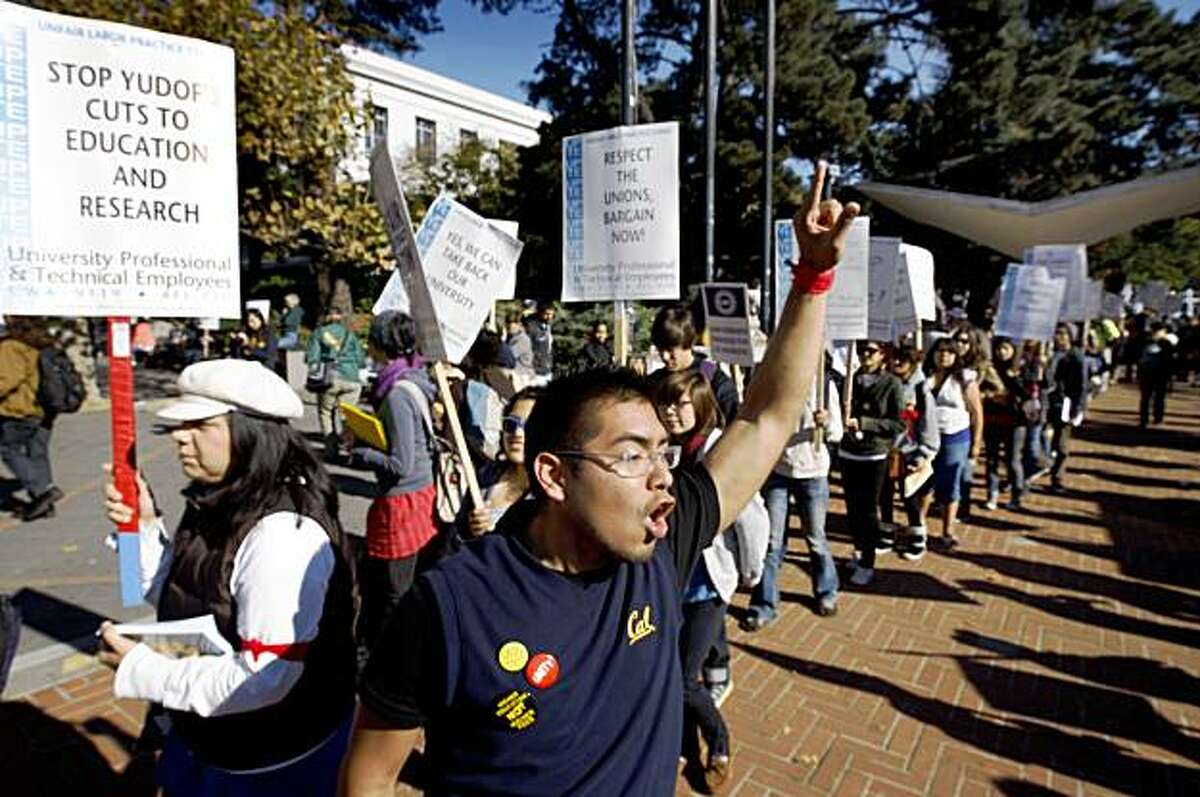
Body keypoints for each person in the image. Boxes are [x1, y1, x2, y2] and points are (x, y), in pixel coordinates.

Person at [340, 161, 857, 796]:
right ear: (553, 475)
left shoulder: (659, 545)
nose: (663, 479)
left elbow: (767, 419)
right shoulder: (450, 604)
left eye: (665, 454)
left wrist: (812, 278)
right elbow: (369, 776)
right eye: (633, 456)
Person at [97, 359, 355, 796]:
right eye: (181, 424)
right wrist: (143, 525)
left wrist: (143, 670)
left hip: (269, 758)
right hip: (215, 735)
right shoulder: (223, 497)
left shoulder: (280, 534)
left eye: (200, 424)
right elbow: (179, 592)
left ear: (250, 430)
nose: (180, 437)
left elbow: (266, 677)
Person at [652, 369, 767, 790]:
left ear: (700, 406)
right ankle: (683, 741)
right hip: (668, 582)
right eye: (665, 402)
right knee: (670, 670)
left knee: (682, 677)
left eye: (680, 403)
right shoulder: (660, 452)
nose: (671, 411)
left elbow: (752, 518)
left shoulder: (717, 450)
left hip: (709, 583)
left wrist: (750, 573)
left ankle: (718, 739)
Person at [350, 311, 440, 650]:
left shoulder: (398, 393)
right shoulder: (411, 377)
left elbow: (400, 463)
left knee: (395, 588)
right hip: (416, 493)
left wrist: (361, 453)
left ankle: (396, 655)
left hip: (404, 501)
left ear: (378, 345)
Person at [747, 356, 842, 623]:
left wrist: (826, 422)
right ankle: (764, 604)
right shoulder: (776, 383)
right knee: (772, 542)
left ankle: (826, 590)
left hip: (813, 472)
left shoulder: (824, 387)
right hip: (779, 470)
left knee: (815, 537)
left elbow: (838, 433)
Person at [838, 340, 905, 585]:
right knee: (852, 508)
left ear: (882, 355)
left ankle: (868, 560)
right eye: (862, 350)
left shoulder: (892, 384)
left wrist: (865, 423)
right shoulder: (849, 380)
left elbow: (898, 423)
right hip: (848, 452)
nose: (866, 355)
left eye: (872, 351)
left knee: (868, 510)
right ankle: (858, 550)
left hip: (874, 454)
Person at [921, 337, 983, 548]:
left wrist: (976, 443)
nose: (944, 356)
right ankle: (919, 525)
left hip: (955, 436)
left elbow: (977, 413)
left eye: (949, 352)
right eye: (940, 351)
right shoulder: (925, 375)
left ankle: (948, 529)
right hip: (928, 435)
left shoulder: (965, 378)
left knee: (950, 484)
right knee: (924, 481)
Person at [0, 317, 63, 521]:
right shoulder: (40, 342)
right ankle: (44, 500)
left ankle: (42, 491)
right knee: (37, 452)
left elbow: (7, 379)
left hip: (20, 408)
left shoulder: (12, 346)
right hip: (43, 407)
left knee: (9, 450)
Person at [464, 387, 542, 537]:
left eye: (529, 425)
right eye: (511, 424)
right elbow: (457, 535)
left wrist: (493, 535)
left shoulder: (550, 500)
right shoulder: (486, 474)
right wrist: (470, 527)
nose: (517, 433)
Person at [888, 344, 939, 561]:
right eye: (895, 359)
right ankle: (887, 534)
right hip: (890, 449)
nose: (897, 363)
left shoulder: (921, 389)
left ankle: (918, 538)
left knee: (911, 497)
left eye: (903, 360)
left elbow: (929, 424)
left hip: (911, 450)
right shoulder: (889, 382)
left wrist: (924, 452)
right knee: (885, 494)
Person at [648, 305, 740, 424]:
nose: (665, 357)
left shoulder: (711, 377)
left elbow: (733, 421)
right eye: (660, 349)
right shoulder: (655, 381)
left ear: (688, 343)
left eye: (671, 350)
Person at [306, 309, 367, 463]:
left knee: (326, 412)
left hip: (330, 379)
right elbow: (361, 360)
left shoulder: (319, 333)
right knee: (348, 417)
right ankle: (352, 453)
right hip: (352, 379)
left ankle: (331, 451)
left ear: (326, 317)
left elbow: (312, 357)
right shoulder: (350, 335)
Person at [980, 338, 1029, 511]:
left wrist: (1015, 381)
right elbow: (980, 390)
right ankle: (991, 494)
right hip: (993, 419)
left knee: (1013, 460)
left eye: (1006, 348)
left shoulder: (1021, 370)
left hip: (1015, 422)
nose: (1002, 352)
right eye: (1000, 348)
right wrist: (990, 395)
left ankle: (1017, 495)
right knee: (992, 459)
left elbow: (1028, 394)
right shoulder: (988, 369)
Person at [1044, 323, 1088, 493]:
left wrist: (1078, 408)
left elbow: (1081, 385)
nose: (1058, 337)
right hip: (1047, 402)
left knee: (1061, 444)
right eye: (1056, 333)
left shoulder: (1076, 357)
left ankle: (1057, 477)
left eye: (1063, 334)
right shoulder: (1049, 354)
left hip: (1065, 405)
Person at [1137, 322, 1175, 426]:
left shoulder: (1166, 344)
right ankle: (1145, 419)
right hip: (1148, 373)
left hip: (1159, 374)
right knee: (1147, 397)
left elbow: (1170, 360)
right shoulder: (1146, 342)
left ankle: (1157, 418)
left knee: (1157, 397)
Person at [526, 301, 556, 383]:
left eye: (551, 314)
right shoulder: (531, 327)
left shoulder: (548, 326)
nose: (549, 317)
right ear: (540, 312)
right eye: (547, 314)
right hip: (536, 371)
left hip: (547, 368)